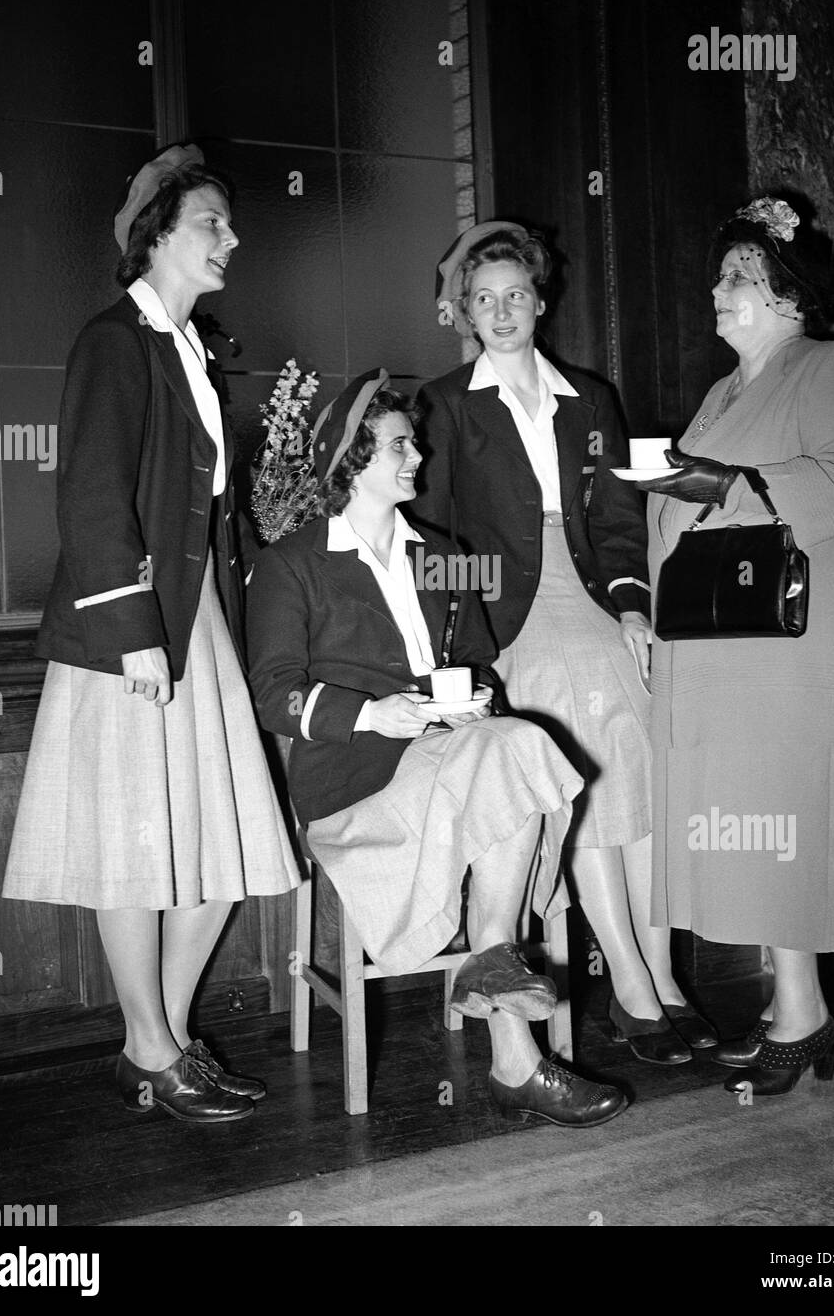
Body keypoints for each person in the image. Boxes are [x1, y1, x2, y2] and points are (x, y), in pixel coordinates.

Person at [3, 145, 301, 1123]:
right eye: (213, 223)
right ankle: (147, 1043)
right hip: (131, 625)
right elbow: (91, 495)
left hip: (196, 623)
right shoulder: (114, 342)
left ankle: (161, 1043)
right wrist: (133, 630)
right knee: (134, 841)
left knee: (223, 842)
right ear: (158, 233)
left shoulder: (190, 350)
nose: (233, 239)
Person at [245, 370, 628, 1127]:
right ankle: (504, 1003)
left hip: (452, 760)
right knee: (518, 755)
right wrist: (371, 715)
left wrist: (476, 696)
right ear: (352, 460)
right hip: (355, 778)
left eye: (413, 441)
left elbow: (477, 658)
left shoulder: (444, 554)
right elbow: (273, 691)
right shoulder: (291, 562)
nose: (416, 454)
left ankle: (505, 1018)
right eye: (398, 445)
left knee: (511, 746)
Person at [407, 221, 710, 1066]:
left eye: (514, 296)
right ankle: (633, 985)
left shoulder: (591, 397)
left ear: (541, 304)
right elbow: (429, 532)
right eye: (482, 300)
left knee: (637, 762)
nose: (500, 312)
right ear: (464, 311)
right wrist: (461, 644)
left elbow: (617, 521)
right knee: (579, 767)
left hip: (592, 597)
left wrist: (632, 610)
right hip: (506, 614)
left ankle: (664, 979)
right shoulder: (441, 403)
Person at [639, 194, 834, 1095]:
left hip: (796, 654)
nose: (716, 291)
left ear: (790, 294)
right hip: (723, 652)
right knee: (759, 837)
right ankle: (799, 1005)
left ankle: (803, 1012)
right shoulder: (721, 395)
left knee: (786, 826)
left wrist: (727, 481)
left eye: (737, 277)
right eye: (720, 275)